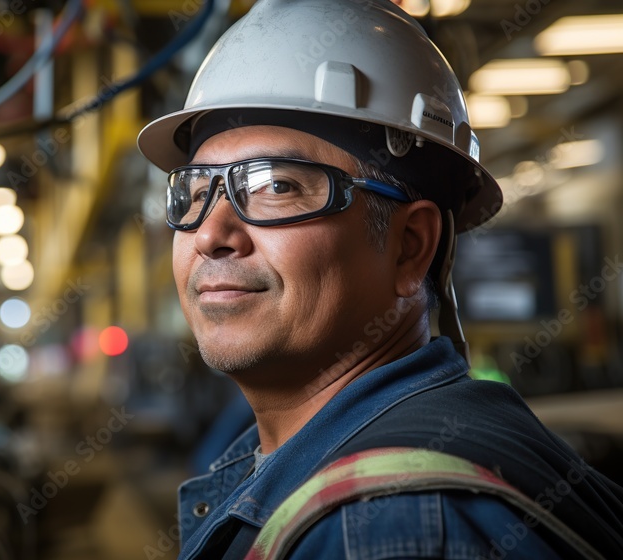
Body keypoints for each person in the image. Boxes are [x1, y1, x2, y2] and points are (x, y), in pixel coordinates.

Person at [136, 0, 623, 558]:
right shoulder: (350, 468)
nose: (210, 234)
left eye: (277, 187)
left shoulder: (388, 526)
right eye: (197, 193)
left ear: (410, 247)